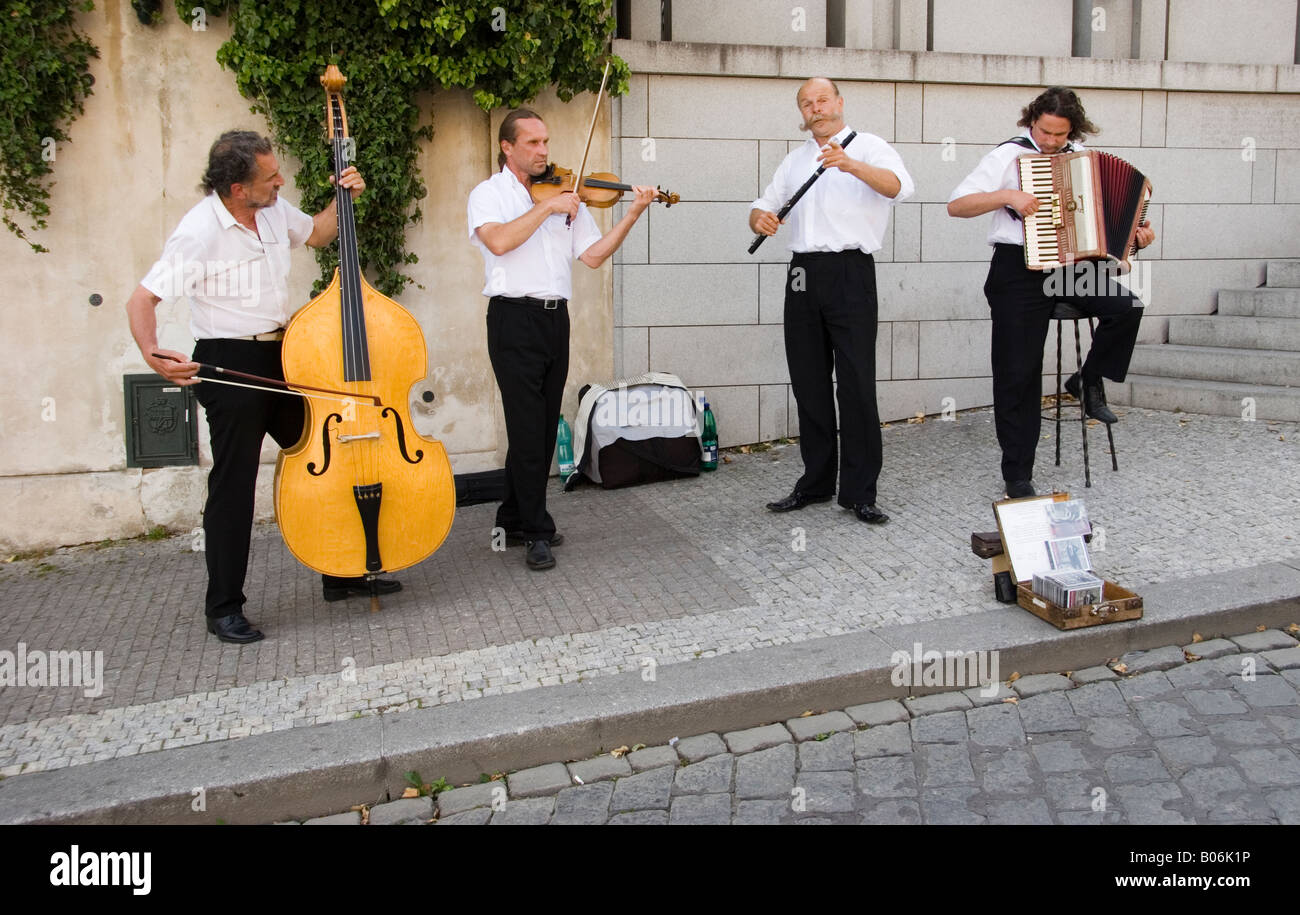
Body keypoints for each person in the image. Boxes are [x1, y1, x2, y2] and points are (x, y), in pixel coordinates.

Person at [125, 130, 396, 644]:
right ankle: (223, 607)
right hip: (230, 362)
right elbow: (141, 301)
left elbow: (317, 233)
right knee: (234, 487)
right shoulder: (199, 231)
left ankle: (340, 570)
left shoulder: (272, 209)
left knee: (332, 457)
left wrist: (346, 198)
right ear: (235, 188)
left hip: (283, 356)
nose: (280, 182)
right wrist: (153, 353)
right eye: (269, 178)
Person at [468, 109, 655, 571]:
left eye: (546, 142)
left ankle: (510, 519)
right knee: (530, 430)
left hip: (556, 320)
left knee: (541, 423)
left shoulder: (567, 194)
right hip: (513, 320)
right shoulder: (489, 195)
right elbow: (498, 242)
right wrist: (547, 207)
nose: (544, 151)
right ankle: (537, 530)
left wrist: (631, 214)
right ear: (507, 147)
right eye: (532, 143)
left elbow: (590, 256)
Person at [947, 86, 1154, 499]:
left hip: (1072, 269)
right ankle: (1018, 473)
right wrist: (1007, 195)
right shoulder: (1007, 156)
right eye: (1045, 132)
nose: (1051, 142)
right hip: (1017, 272)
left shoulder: (1082, 160)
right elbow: (957, 204)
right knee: (1018, 375)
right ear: (1031, 121)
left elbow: (1107, 226)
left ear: (1073, 130)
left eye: (1060, 135)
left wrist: (1137, 237)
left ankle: (1087, 379)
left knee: (1126, 307)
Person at [751, 77, 913, 524]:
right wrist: (759, 219)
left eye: (822, 99)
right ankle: (816, 482)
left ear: (839, 103)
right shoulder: (794, 159)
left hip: (850, 270)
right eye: (807, 103)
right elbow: (763, 204)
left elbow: (900, 187)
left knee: (857, 383)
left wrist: (851, 165)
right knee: (809, 381)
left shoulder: (872, 146)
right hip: (803, 271)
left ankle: (860, 491)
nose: (815, 108)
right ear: (802, 114)